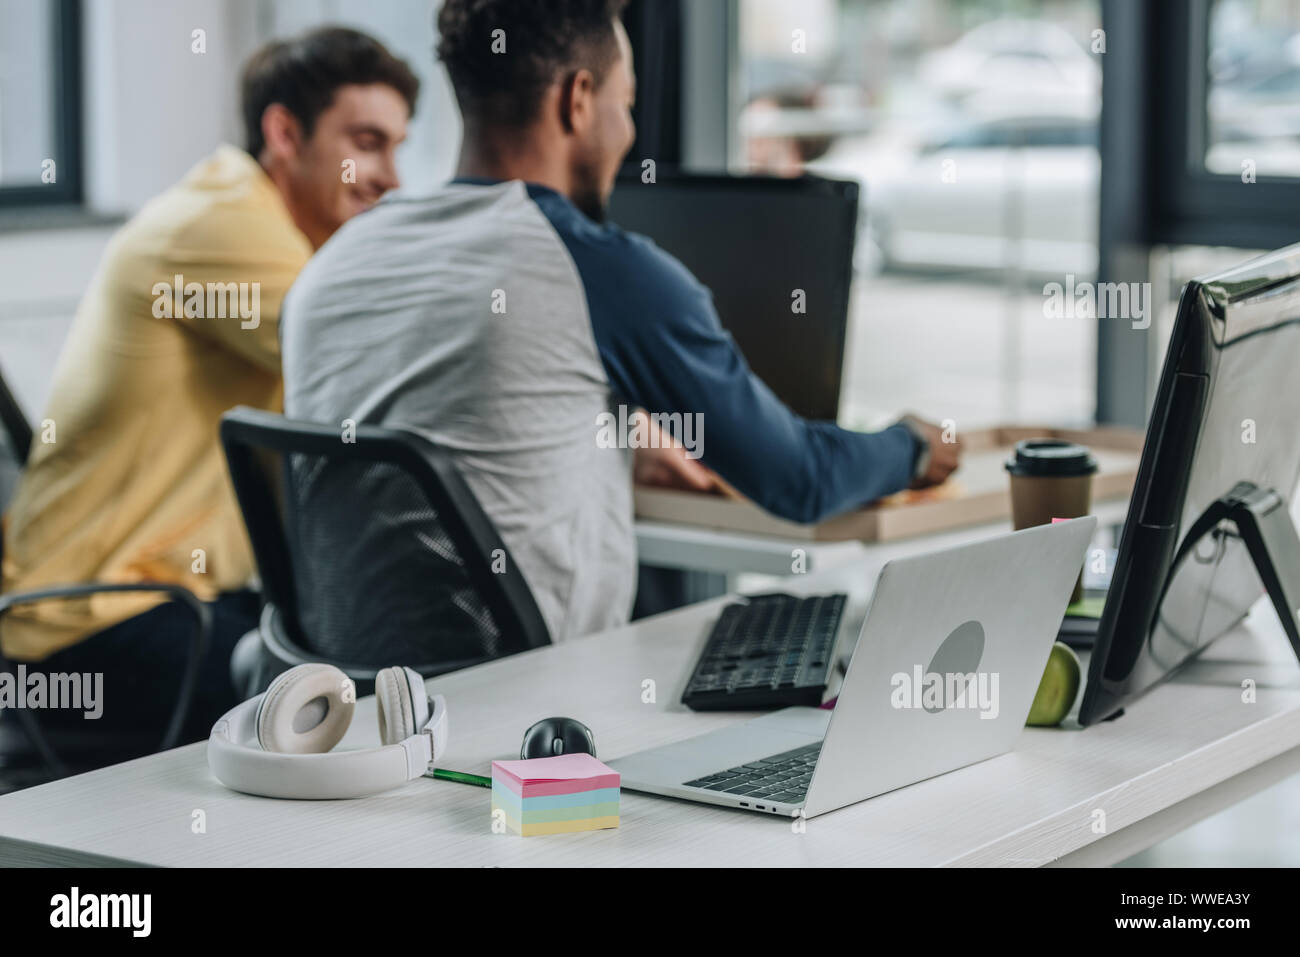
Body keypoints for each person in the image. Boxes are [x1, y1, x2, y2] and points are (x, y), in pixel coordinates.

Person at [280, 0, 960, 645]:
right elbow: (799, 478)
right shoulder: (592, 265)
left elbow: (454, 427)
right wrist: (913, 446)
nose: (630, 130)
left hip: (347, 707)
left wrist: (620, 444)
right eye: (625, 103)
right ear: (577, 101)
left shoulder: (335, 261)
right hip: (527, 714)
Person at [1, 27, 419, 743]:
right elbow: (391, 364)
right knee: (340, 715)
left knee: (359, 674)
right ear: (285, 132)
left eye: (396, 146)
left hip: (170, 601)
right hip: (89, 627)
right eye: (367, 141)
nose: (390, 176)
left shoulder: (268, 231)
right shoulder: (225, 223)